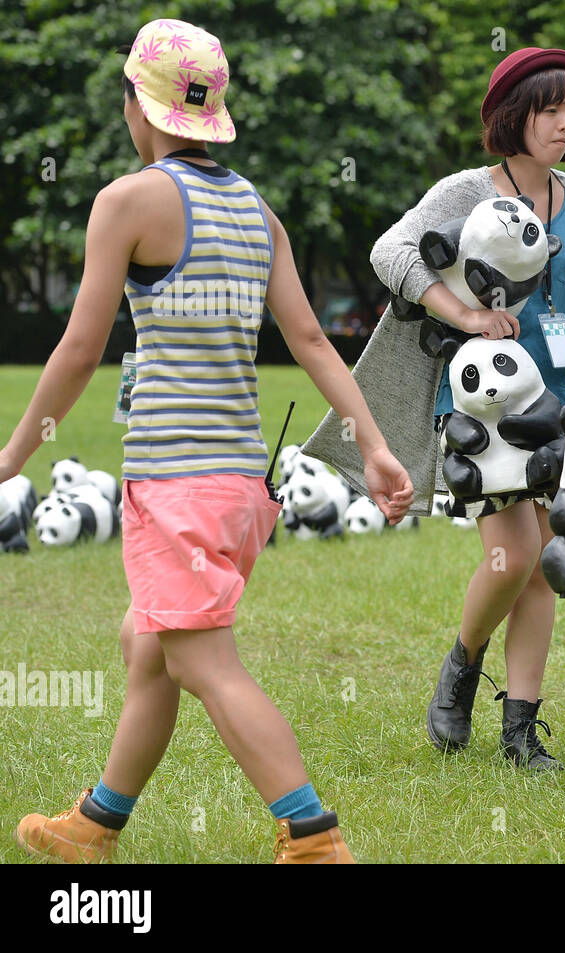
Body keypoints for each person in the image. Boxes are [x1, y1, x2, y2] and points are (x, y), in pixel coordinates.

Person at [1, 19, 414, 864]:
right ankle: (97, 824)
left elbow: (81, 349)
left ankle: (312, 835)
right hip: (238, 488)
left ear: (137, 108)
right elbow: (308, 340)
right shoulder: (256, 211)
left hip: (177, 483)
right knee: (147, 646)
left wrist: (8, 459)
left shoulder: (127, 201)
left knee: (207, 663)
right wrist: (371, 443)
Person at [367, 48, 565, 771]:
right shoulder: (468, 189)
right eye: (550, 108)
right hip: (487, 399)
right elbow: (392, 251)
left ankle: (519, 729)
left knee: (543, 567)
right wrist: (462, 314)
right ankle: (463, 663)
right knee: (514, 555)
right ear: (515, 114)